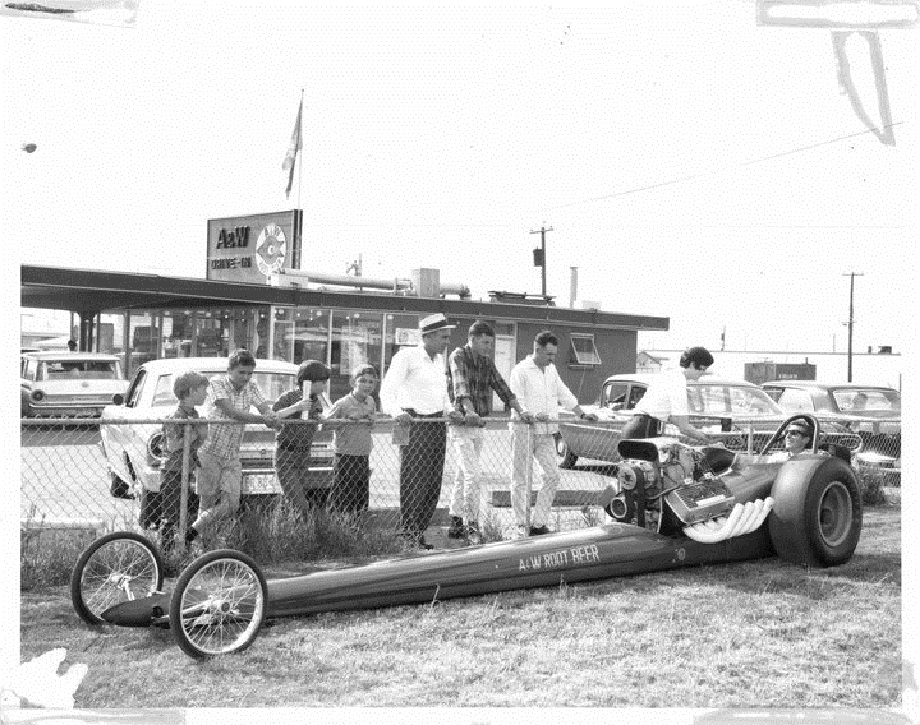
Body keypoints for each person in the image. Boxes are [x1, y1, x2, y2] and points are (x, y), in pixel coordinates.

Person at [379, 313, 462, 549]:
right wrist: (397, 413)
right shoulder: (406, 357)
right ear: (429, 336)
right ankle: (410, 532)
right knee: (415, 479)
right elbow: (387, 391)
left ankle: (420, 531)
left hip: (437, 424)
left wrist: (450, 409)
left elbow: (442, 393)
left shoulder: (438, 360)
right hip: (414, 423)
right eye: (444, 337)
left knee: (433, 481)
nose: (447, 342)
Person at [447, 321, 530, 544]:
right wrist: (470, 411)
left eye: (490, 344)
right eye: (484, 343)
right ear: (472, 339)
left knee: (463, 474)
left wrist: (522, 411)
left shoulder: (486, 363)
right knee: (473, 475)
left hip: (478, 425)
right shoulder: (458, 356)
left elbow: (502, 387)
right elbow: (460, 386)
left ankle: (455, 520)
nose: (488, 348)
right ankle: (471, 524)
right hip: (462, 424)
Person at [508, 331, 597, 538]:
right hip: (524, 430)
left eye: (554, 355)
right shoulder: (520, 371)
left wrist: (581, 413)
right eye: (548, 354)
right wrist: (527, 414)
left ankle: (538, 523)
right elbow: (516, 399)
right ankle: (521, 524)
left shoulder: (552, 371)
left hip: (546, 433)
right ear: (536, 349)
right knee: (520, 478)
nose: (552, 358)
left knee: (552, 475)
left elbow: (563, 393)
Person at [187, 350, 279, 544]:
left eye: (249, 373)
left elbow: (265, 408)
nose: (246, 377)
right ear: (230, 370)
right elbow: (232, 412)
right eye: (241, 372)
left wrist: (272, 417)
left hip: (231, 453)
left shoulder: (252, 386)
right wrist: (264, 419)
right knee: (208, 502)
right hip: (209, 450)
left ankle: (193, 531)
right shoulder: (216, 383)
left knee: (231, 503)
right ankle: (204, 546)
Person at [158, 370, 210, 551]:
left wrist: (200, 434)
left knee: (187, 513)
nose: (206, 394)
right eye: (202, 390)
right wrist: (195, 431)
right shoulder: (175, 416)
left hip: (189, 470)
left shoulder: (194, 414)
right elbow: (173, 445)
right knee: (172, 515)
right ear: (190, 391)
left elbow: (197, 442)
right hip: (174, 471)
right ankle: (165, 553)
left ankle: (183, 549)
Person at [619, 346, 714, 443]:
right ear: (692, 364)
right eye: (702, 369)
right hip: (644, 430)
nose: (703, 373)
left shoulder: (670, 375)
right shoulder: (677, 381)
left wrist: (696, 432)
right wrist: (707, 440)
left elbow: (672, 418)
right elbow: (684, 427)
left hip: (635, 427)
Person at [272, 360, 331, 516]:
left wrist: (319, 419)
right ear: (309, 381)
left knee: (292, 500)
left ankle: (290, 532)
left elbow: (317, 419)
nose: (324, 386)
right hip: (286, 454)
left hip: (304, 455)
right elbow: (272, 418)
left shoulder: (316, 401)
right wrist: (296, 408)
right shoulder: (288, 397)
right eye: (322, 382)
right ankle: (301, 529)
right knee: (300, 504)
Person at [325, 364, 383, 514]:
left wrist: (371, 419)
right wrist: (345, 420)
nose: (367, 385)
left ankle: (357, 530)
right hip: (345, 457)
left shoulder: (371, 401)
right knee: (343, 498)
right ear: (353, 382)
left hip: (363, 456)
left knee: (360, 501)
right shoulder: (343, 403)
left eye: (371, 382)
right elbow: (324, 426)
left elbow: (372, 426)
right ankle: (337, 529)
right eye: (363, 381)